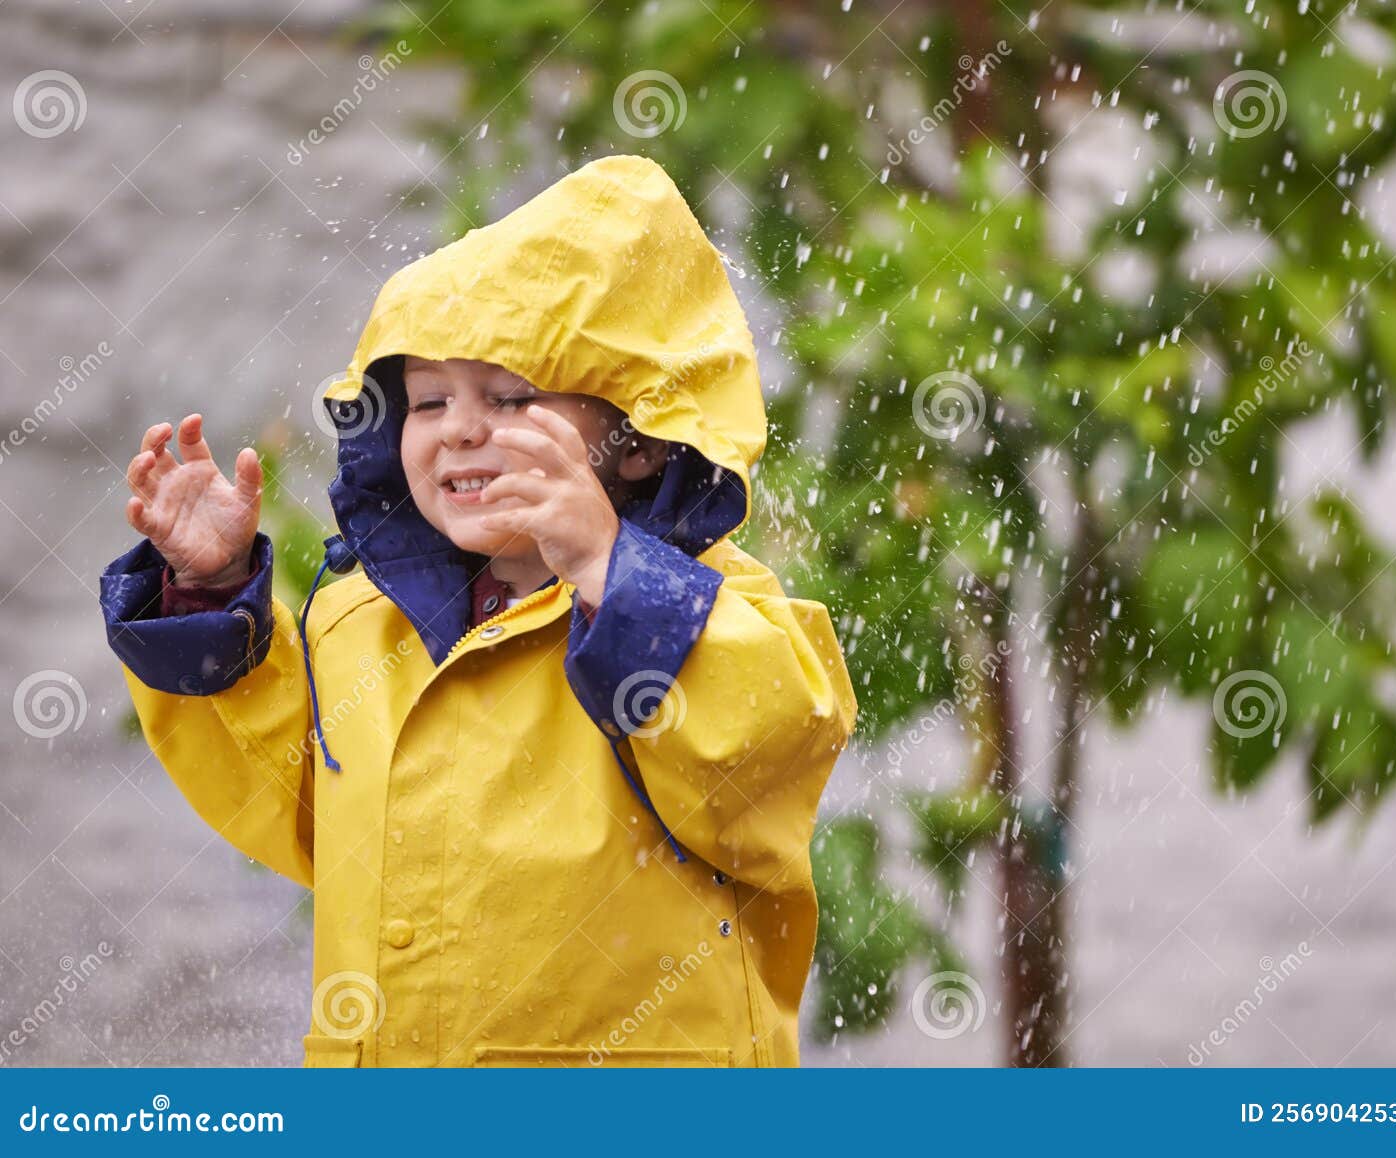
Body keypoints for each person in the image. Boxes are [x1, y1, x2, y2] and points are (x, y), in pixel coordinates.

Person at [98, 155, 858, 1068]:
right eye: (427, 402)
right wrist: (213, 596)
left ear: (641, 444)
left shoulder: (715, 608)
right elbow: (302, 811)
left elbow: (758, 767)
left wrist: (609, 570)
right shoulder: (359, 623)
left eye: (510, 397)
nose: (461, 428)